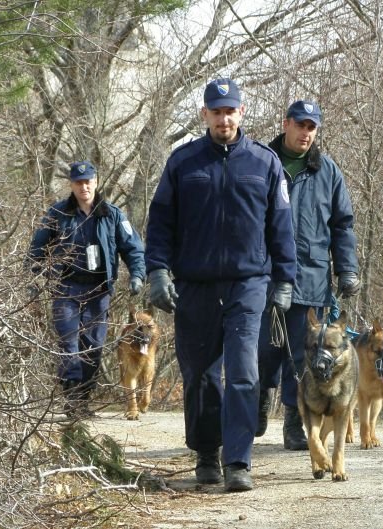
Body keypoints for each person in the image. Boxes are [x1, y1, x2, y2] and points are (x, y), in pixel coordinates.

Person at [145, 78, 296, 492]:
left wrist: (285, 279)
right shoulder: (183, 162)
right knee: (201, 376)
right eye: (216, 111)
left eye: (230, 111)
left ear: (241, 113)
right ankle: (207, 453)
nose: (224, 118)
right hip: (194, 286)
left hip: (249, 284)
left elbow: (282, 228)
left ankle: (238, 461)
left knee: (245, 372)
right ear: (205, 114)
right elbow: (160, 223)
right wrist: (158, 271)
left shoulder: (264, 163)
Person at [255, 100, 361, 450]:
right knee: (261, 349)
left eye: (312, 127)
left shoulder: (327, 172)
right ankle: (255, 403)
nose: (306, 132)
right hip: (264, 275)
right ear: (286, 124)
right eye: (300, 124)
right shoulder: (260, 162)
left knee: (300, 357)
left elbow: (342, 225)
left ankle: (294, 422)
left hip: (311, 278)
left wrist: (347, 269)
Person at [28, 160, 146, 419]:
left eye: (88, 181)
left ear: (96, 182)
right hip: (65, 287)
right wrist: (34, 278)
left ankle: (83, 399)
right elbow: (36, 249)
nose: (84, 186)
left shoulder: (112, 214)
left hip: (98, 289)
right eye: (78, 182)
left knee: (93, 346)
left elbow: (133, 248)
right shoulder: (57, 214)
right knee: (68, 343)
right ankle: (71, 400)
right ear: (71, 184)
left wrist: (137, 275)